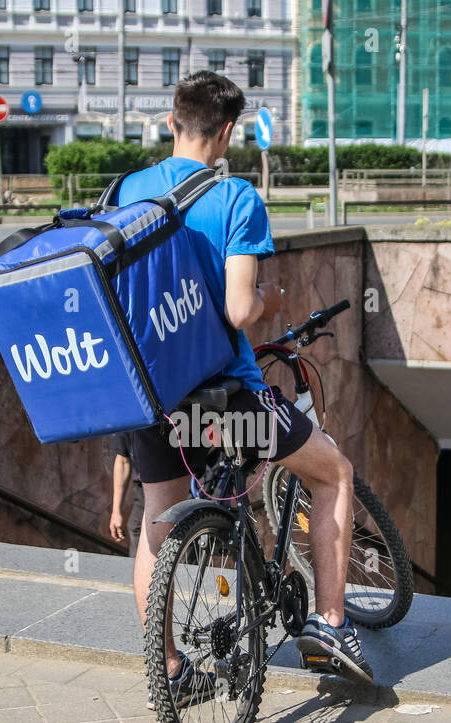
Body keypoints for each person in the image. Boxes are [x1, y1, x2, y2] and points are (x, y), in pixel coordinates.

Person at [118, 71, 370, 688]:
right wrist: (263, 296)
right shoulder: (234, 199)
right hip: (225, 395)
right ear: (228, 130)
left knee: (158, 515)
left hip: (150, 392)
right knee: (332, 471)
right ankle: (330, 625)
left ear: (173, 120)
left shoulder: (127, 189)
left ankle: (171, 670)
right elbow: (237, 311)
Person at [109, 432, 143, 559]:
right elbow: (123, 460)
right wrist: (116, 511)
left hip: (185, 482)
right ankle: (139, 577)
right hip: (145, 489)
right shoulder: (128, 418)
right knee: (136, 527)